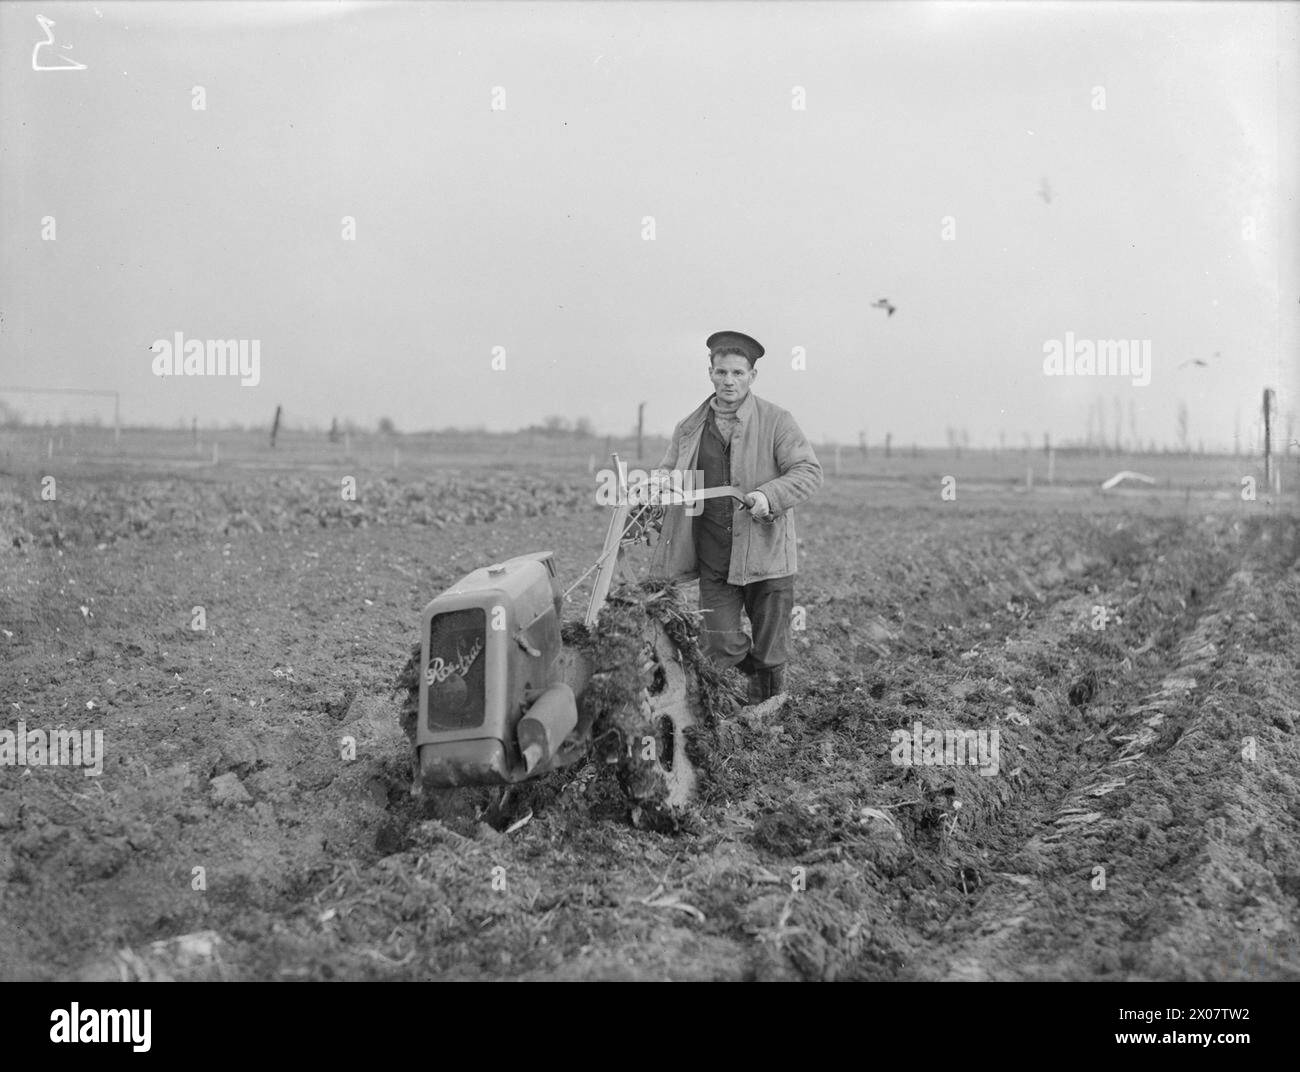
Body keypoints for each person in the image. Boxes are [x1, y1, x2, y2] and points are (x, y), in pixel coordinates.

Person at [650, 330, 823, 702]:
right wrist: (659, 484)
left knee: (771, 648)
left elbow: (808, 472)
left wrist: (767, 496)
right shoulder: (690, 427)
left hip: (768, 554)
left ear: (752, 377)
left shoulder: (777, 421)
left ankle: (772, 709)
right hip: (715, 555)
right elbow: (668, 470)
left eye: (738, 374)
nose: (729, 381)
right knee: (722, 643)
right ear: (710, 373)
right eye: (722, 372)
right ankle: (749, 686)